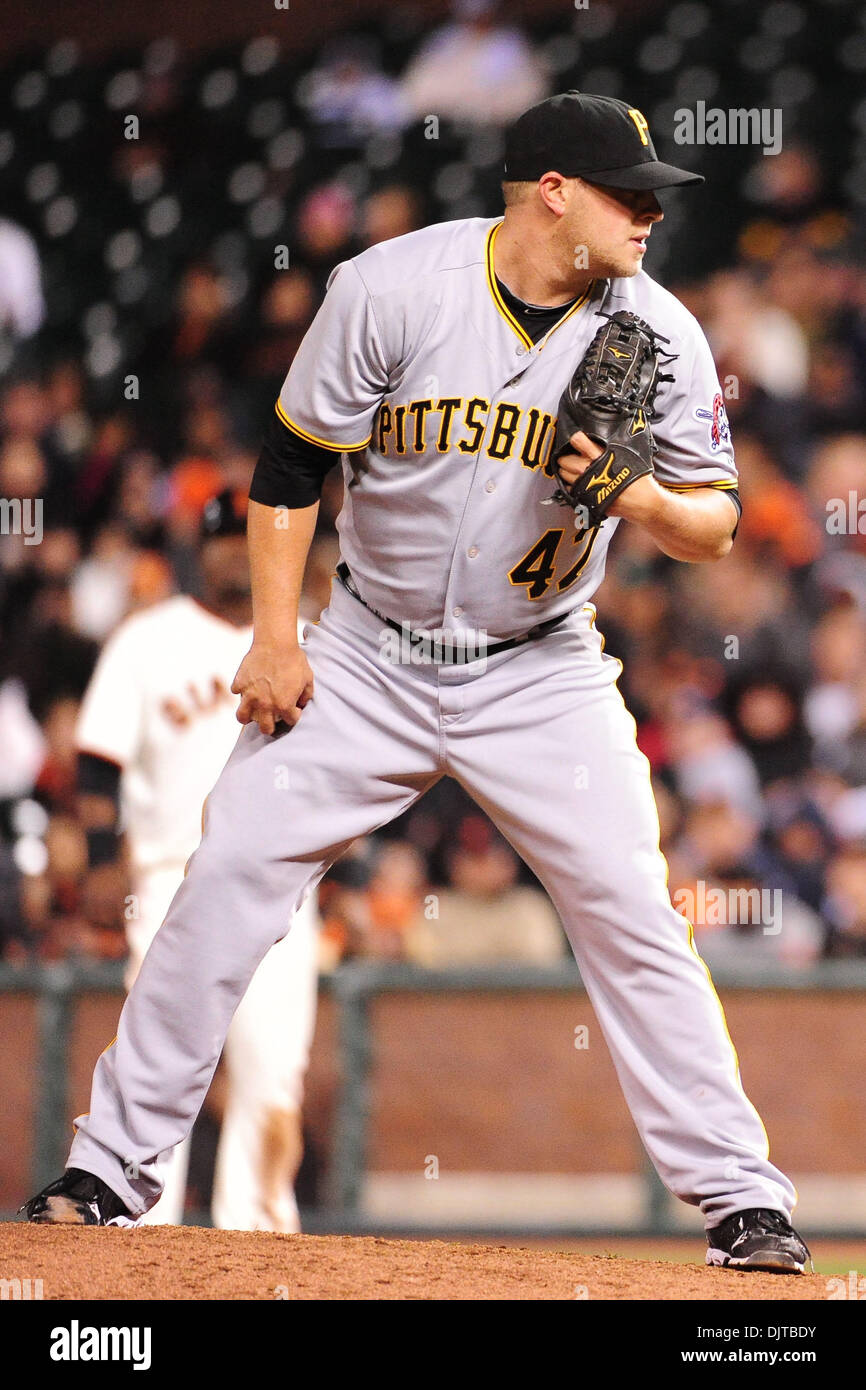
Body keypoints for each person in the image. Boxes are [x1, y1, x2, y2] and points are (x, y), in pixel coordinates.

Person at [26, 92, 809, 1274]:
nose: (649, 215)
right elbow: (289, 470)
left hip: (539, 662)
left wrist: (638, 496)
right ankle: (107, 1166)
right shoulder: (390, 289)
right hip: (368, 650)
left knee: (633, 912)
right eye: (626, 193)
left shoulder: (656, 331)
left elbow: (717, 525)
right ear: (551, 189)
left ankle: (740, 1200)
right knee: (230, 868)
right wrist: (278, 637)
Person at [64, 490, 318, 1230]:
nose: (235, 555)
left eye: (249, 539)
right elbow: (95, 767)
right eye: (221, 540)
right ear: (198, 551)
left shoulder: (308, 637)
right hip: (168, 879)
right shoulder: (148, 639)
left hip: (287, 891)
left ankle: (261, 1243)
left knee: (273, 1077)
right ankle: (139, 1235)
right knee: (160, 1066)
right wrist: (104, 860)